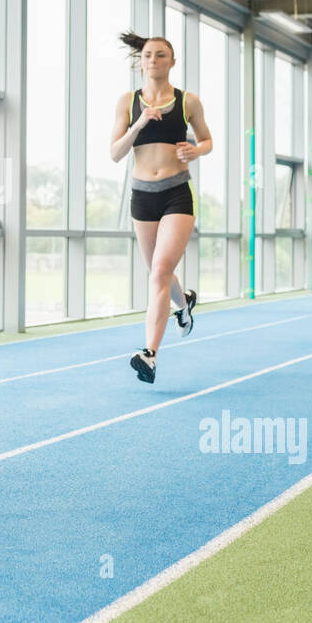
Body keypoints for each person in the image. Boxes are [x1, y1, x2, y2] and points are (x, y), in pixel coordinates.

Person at [110, 31, 212, 383]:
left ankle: (149, 353)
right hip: (142, 194)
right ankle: (183, 303)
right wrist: (140, 122)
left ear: (172, 61)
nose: (153, 60)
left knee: (159, 272)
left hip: (176, 193)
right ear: (141, 62)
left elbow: (207, 139)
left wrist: (195, 151)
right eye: (148, 55)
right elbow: (115, 153)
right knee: (158, 271)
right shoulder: (127, 102)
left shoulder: (188, 102)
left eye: (161, 55)